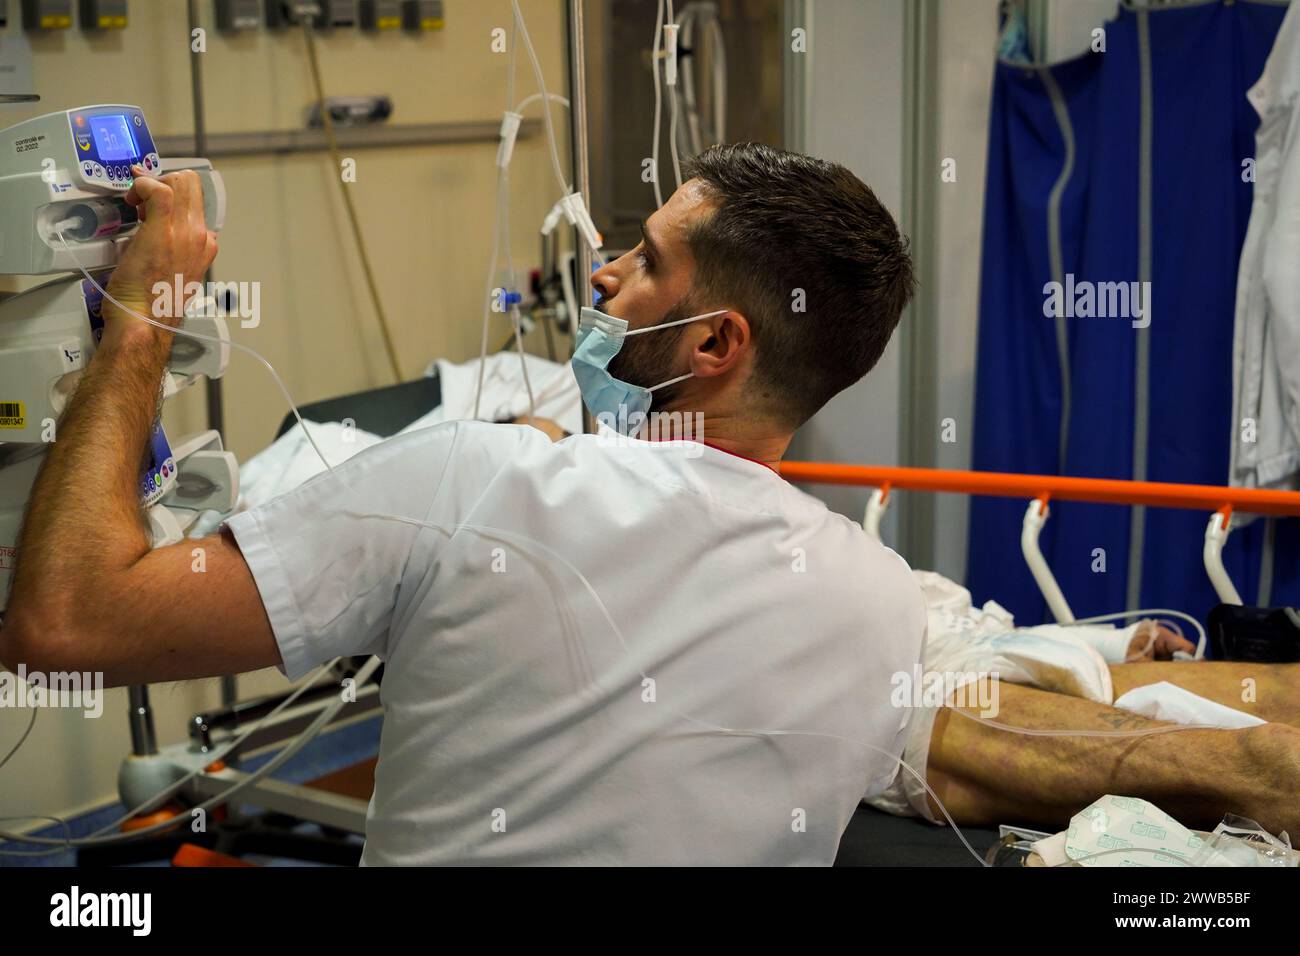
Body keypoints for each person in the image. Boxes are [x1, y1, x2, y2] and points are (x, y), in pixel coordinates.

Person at [0, 144, 925, 865]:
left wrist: (139, 318)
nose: (603, 272)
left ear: (716, 344)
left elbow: (67, 625)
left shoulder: (470, 483)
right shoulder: (886, 608)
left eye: (646, 261)